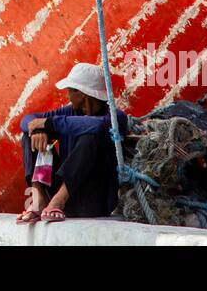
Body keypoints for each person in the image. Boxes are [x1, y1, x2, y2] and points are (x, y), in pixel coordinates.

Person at [17, 62, 128, 224]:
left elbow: (97, 126)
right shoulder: (68, 112)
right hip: (61, 194)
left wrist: (48, 124)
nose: (68, 96)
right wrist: (39, 129)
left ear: (82, 94)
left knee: (90, 137)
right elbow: (28, 120)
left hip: (94, 202)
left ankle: (58, 201)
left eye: (70, 91)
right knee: (30, 134)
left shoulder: (115, 117)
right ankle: (39, 199)